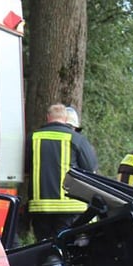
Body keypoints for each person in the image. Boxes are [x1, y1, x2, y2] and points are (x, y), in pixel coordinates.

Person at [25, 103, 99, 241]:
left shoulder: (33, 138)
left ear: (48, 117)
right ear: (66, 119)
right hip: (71, 207)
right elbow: (90, 171)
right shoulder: (77, 139)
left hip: (41, 207)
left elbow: (25, 167)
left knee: (43, 247)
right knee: (64, 246)